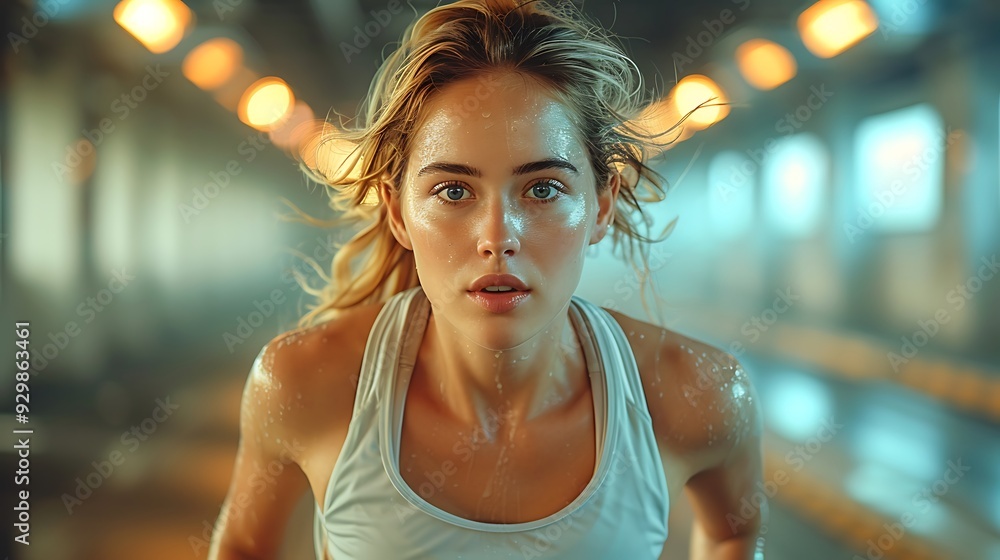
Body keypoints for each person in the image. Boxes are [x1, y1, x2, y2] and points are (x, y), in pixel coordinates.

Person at [209, 0, 765, 558]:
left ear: (600, 207)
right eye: (454, 191)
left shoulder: (699, 394)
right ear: (398, 214)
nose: (497, 237)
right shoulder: (303, 385)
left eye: (542, 188)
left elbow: (734, 533)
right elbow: (241, 546)